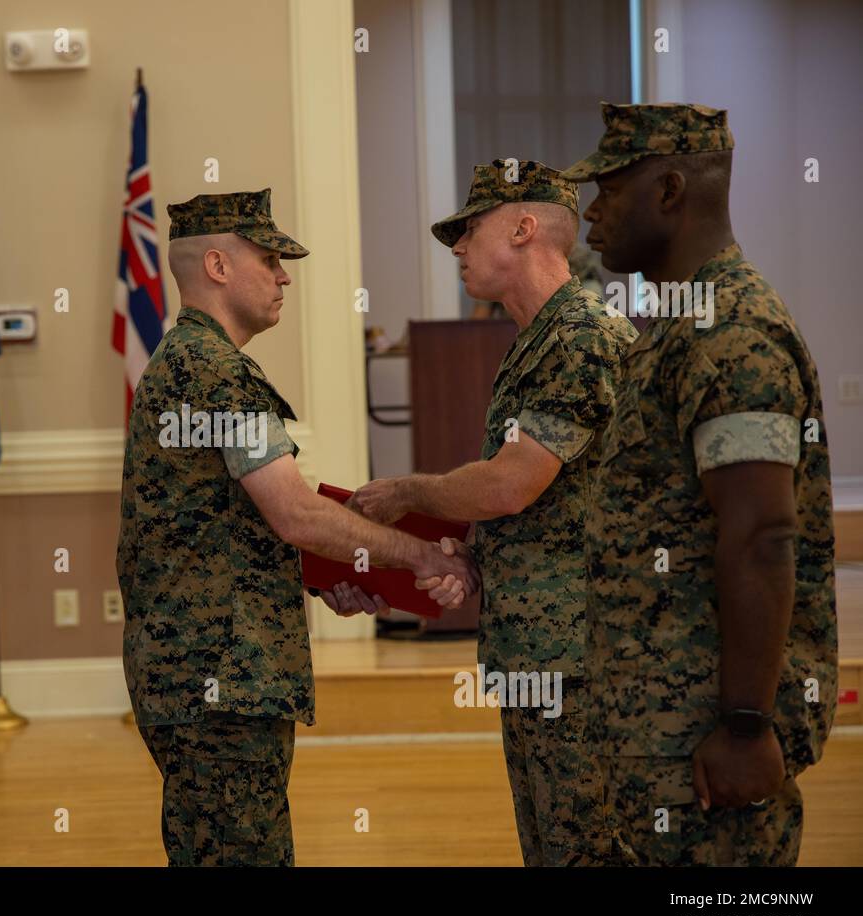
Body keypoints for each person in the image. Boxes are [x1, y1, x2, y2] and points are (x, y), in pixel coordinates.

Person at [116, 188, 478, 866]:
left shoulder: (188, 362)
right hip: (221, 678)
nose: (283, 276)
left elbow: (224, 523)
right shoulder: (214, 370)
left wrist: (328, 574)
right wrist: (423, 556)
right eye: (270, 259)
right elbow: (296, 512)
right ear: (218, 266)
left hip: (203, 671)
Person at [563, 101, 837, 865]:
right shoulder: (681, 328)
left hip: (705, 746)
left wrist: (746, 725)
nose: (591, 213)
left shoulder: (733, 332)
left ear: (670, 191)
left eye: (609, 190)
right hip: (660, 731)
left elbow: (762, 536)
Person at [349, 160, 636, 866]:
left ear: (523, 228)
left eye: (469, 229)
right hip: (538, 646)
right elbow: (550, 507)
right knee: (551, 848)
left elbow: (512, 486)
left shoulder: (580, 336)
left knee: (587, 849)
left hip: (583, 654)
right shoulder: (535, 342)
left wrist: (409, 492)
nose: (456, 246)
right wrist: (474, 560)